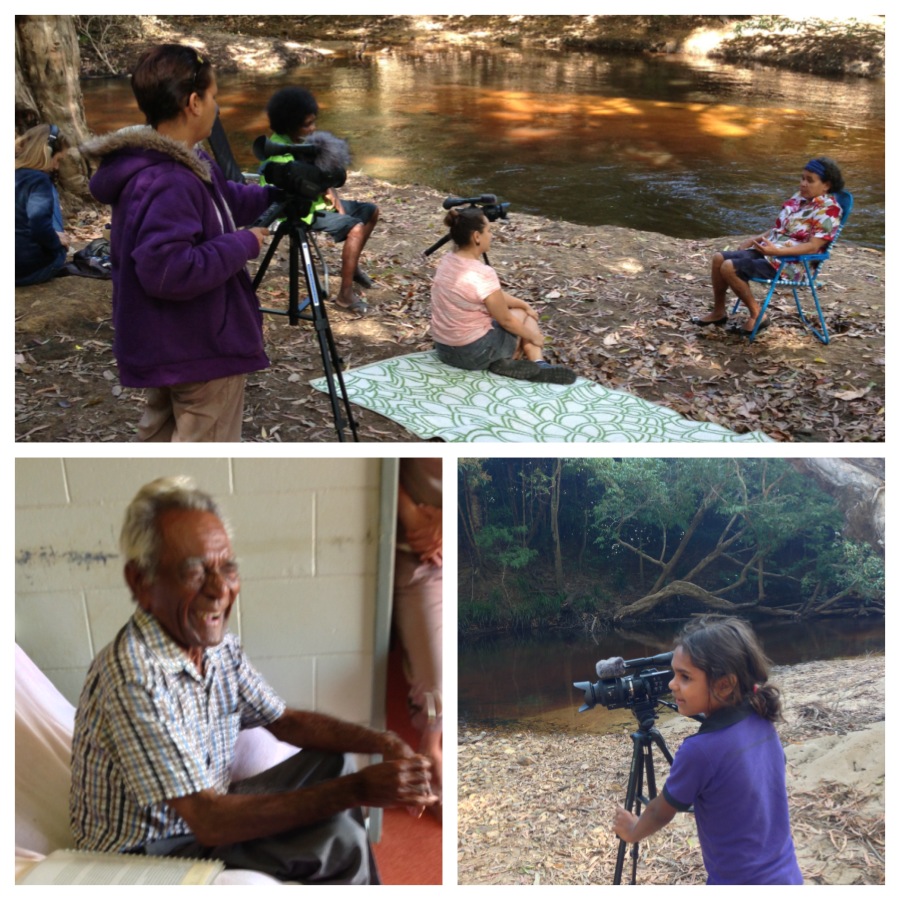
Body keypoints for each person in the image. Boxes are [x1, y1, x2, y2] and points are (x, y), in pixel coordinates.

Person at [69, 476, 436, 884]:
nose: (219, 589)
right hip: (148, 851)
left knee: (334, 762)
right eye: (194, 571)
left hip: (205, 812)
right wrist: (359, 789)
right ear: (142, 583)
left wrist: (383, 743)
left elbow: (284, 721)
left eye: (227, 567)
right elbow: (208, 820)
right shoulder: (134, 677)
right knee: (340, 838)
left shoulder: (217, 648)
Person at [81, 45, 278, 442]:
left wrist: (277, 194)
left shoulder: (186, 161)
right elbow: (168, 270)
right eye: (214, 97)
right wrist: (243, 243)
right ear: (193, 102)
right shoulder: (169, 179)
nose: (217, 107)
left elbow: (228, 200)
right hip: (198, 347)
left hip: (170, 343)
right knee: (203, 453)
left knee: (160, 441)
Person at [612, 617, 803, 885]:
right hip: (787, 875)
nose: (671, 684)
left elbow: (659, 812)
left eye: (685, 677)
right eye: (674, 673)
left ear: (725, 684)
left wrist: (632, 831)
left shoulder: (700, 751)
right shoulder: (761, 718)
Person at [692, 158, 845, 337]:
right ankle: (718, 312)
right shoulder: (799, 199)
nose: (803, 184)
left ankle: (758, 315)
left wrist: (777, 251)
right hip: (769, 253)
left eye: (809, 180)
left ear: (826, 185)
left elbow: (812, 247)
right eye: (802, 178)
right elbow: (780, 228)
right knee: (719, 257)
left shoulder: (829, 211)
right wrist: (755, 239)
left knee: (729, 267)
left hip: (791, 264)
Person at [264, 86, 379, 315]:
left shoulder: (304, 143)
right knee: (355, 228)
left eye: (313, 123)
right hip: (299, 211)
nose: (313, 128)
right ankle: (345, 296)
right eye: (307, 124)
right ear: (288, 124)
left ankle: (352, 267)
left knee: (370, 211)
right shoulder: (277, 150)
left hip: (317, 203)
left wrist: (331, 191)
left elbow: (320, 176)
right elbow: (281, 189)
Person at [430, 207, 577, 384]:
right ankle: (538, 364)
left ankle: (503, 361)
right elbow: (506, 320)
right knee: (522, 318)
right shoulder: (482, 273)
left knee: (521, 311)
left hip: (445, 350)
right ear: (477, 236)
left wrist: (523, 303)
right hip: (473, 354)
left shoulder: (447, 261)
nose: (491, 235)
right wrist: (534, 336)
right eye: (489, 230)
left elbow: (492, 294)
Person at [393, 459, 443, 822]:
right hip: (419, 557)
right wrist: (411, 516)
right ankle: (431, 747)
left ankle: (432, 750)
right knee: (439, 682)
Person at [15, 124, 70, 286]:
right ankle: (58, 236)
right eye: (58, 160)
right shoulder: (39, 181)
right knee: (60, 251)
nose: (57, 167)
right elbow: (38, 224)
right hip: (24, 272)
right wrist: (56, 242)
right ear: (48, 152)